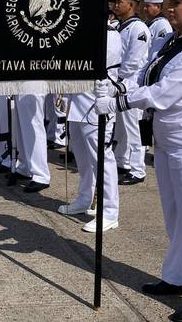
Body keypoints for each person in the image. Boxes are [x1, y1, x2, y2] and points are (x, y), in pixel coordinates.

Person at [95, 0, 182, 321]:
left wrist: (120, 103)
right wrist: (113, 86)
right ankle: (178, 276)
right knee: (174, 215)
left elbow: (165, 92)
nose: (169, 8)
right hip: (168, 139)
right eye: (169, 3)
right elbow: (144, 75)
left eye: (177, 4)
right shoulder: (172, 41)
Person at [58, 17, 123, 233]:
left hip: (97, 103)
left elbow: (97, 66)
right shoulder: (82, 29)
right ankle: (85, 199)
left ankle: (109, 212)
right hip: (78, 102)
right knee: (83, 158)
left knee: (102, 161)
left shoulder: (109, 34)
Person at [113, 0, 151, 185]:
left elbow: (133, 62)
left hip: (130, 84)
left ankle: (138, 169)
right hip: (120, 83)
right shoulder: (121, 26)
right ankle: (122, 161)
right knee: (121, 128)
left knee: (133, 128)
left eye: (121, 2)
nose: (116, 5)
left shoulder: (138, 29)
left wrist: (115, 77)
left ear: (132, 5)